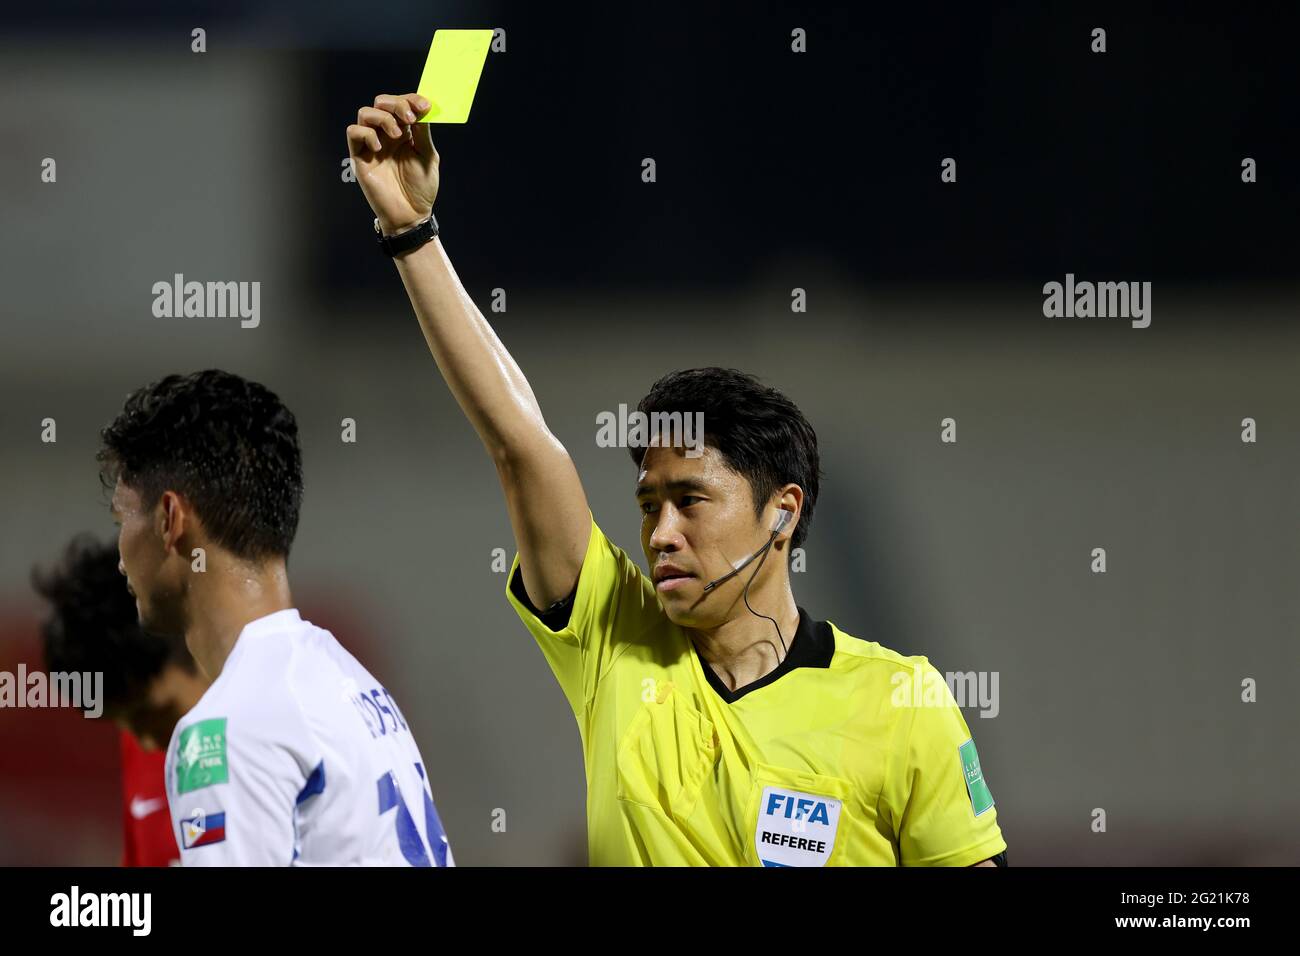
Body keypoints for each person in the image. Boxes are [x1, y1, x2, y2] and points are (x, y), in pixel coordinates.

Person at [347, 91, 1006, 866]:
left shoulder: (901, 700)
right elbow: (521, 443)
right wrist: (410, 229)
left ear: (781, 513)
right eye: (649, 505)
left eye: (691, 501)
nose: (661, 533)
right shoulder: (614, 641)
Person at [100, 369, 452, 866]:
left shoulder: (220, 733)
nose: (118, 557)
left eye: (121, 520)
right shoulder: (354, 683)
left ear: (169, 519)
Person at [34, 535, 208, 866]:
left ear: (191, 644)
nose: (143, 740)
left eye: (151, 714)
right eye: (124, 723)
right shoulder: (143, 745)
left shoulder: (279, 731)